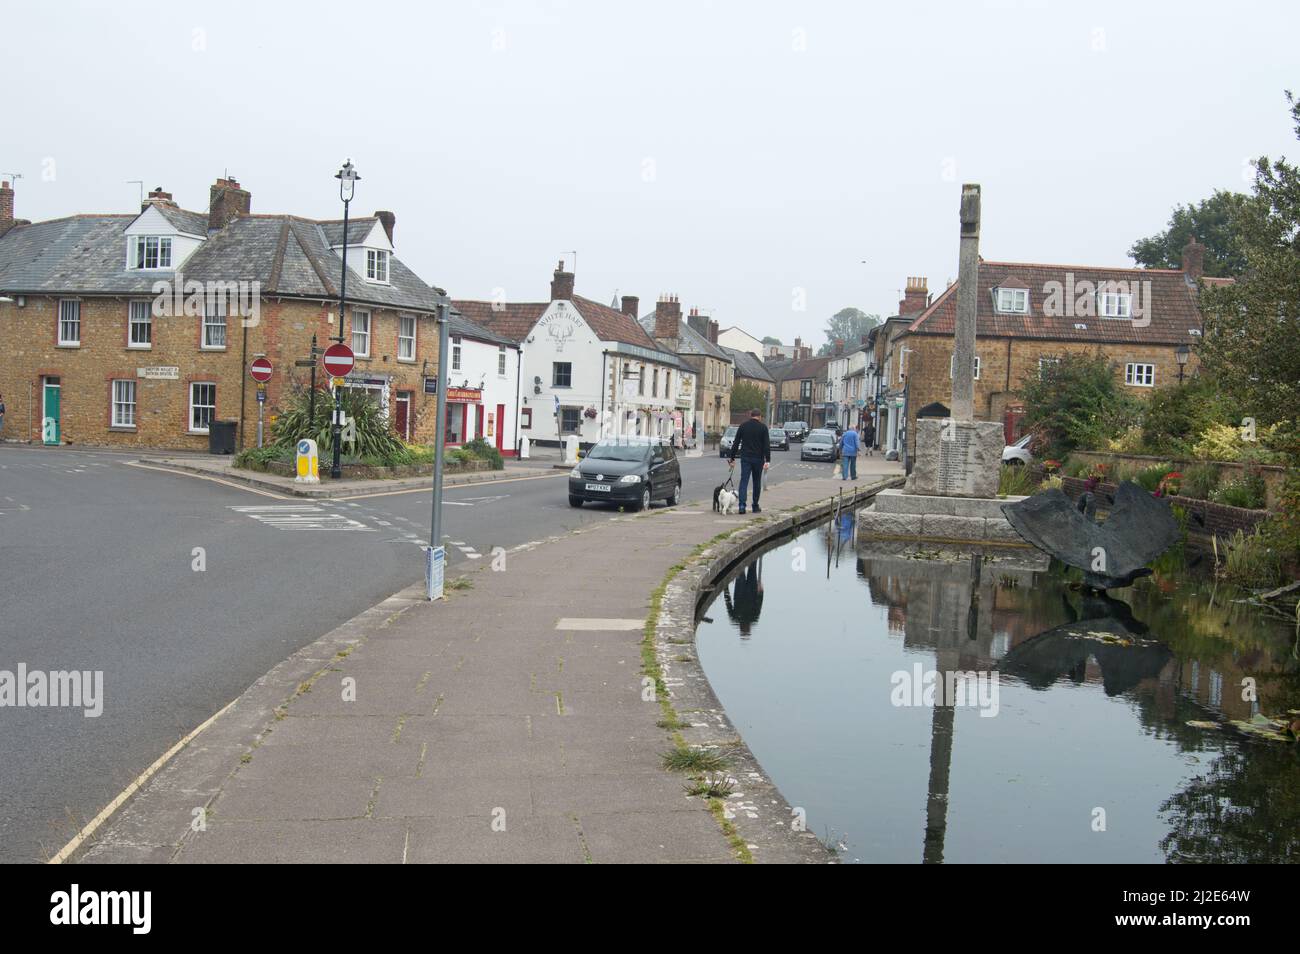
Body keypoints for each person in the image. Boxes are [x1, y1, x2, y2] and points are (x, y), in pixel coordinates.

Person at [727, 408, 771, 514]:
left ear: (750, 415)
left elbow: (736, 443)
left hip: (745, 457)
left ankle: (742, 505)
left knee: (744, 481)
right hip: (758, 459)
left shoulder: (743, 426)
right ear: (760, 416)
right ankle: (755, 506)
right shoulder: (763, 428)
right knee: (756, 482)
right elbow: (766, 445)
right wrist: (767, 460)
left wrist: (732, 458)